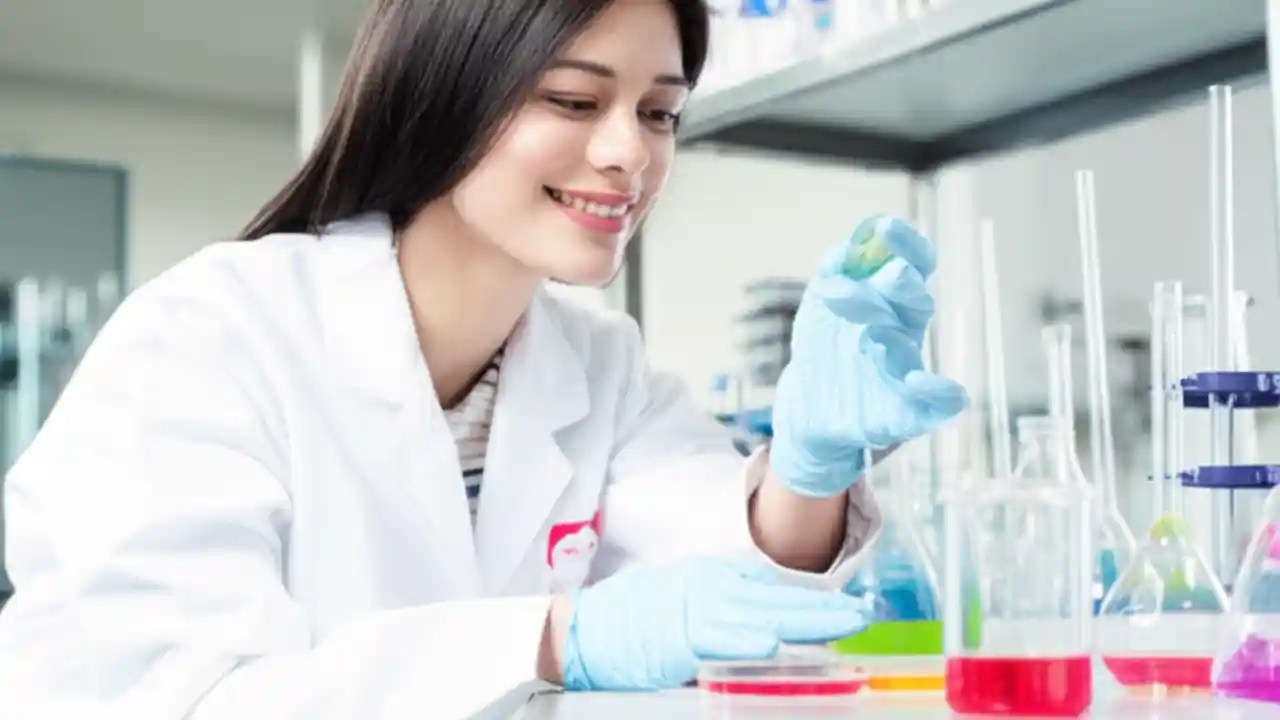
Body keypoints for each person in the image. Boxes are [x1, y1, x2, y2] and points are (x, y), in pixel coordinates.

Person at [0, 0, 966, 717]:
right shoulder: (209, 338)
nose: (628, 153)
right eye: (575, 99)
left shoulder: (599, 366)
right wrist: (551, 637)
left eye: (660, 113)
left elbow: (728, 578)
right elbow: (168, 699)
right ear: (443, 96)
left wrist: (809, 467)